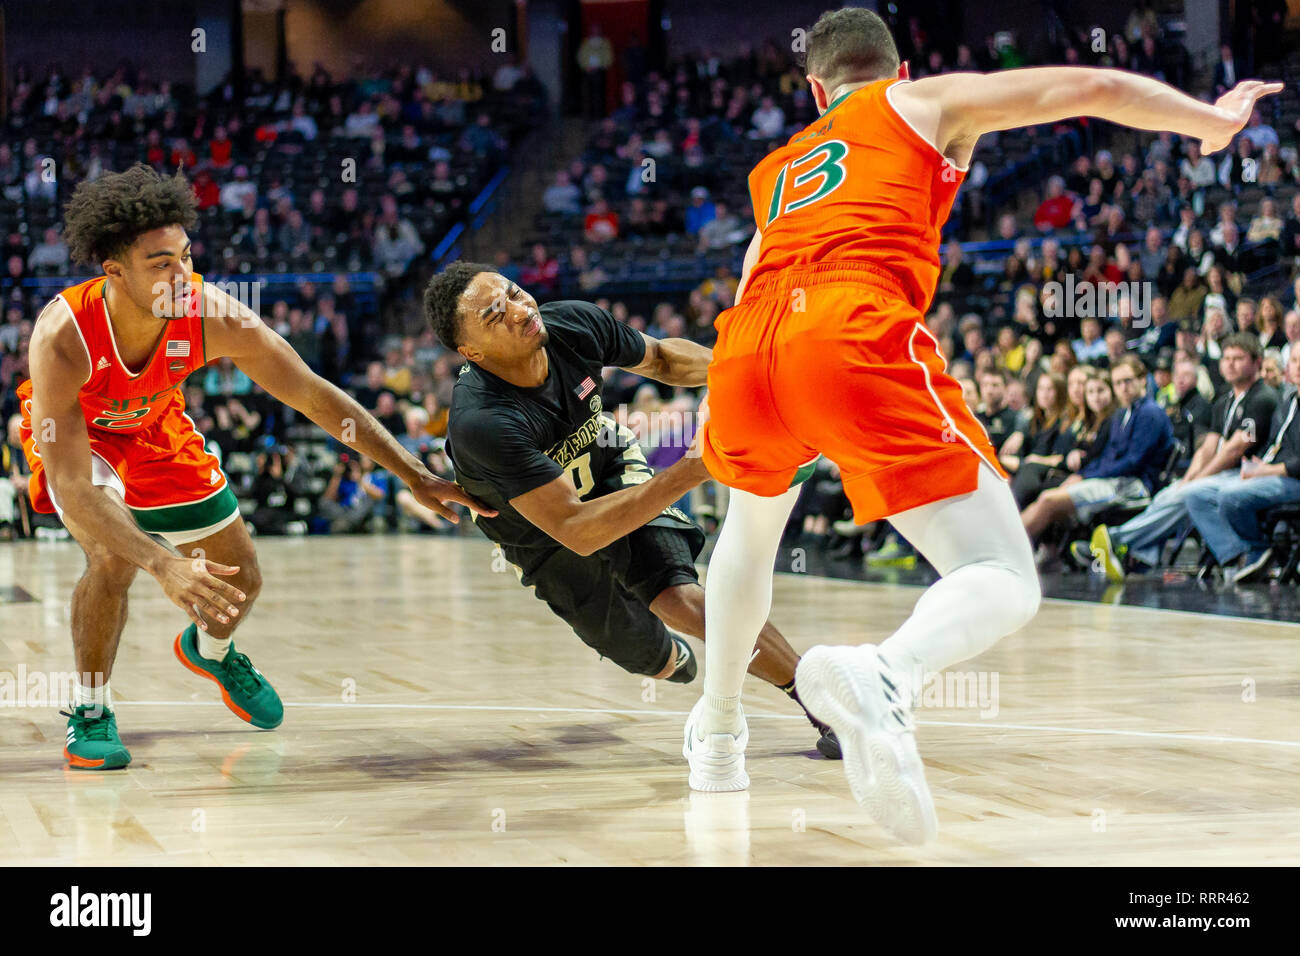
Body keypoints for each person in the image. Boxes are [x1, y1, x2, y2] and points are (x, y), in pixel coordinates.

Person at [684, 5, 1279, 844]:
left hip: (745, 348)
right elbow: (1094, 84)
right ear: (897, 67)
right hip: (848, 326)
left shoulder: (778, 167)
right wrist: (1210, 120)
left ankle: (716, 738)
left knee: (746, 541)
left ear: (816, 88)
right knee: (1004, 572)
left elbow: (751, 274)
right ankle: (882, 674)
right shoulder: (919, 103)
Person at [18, 165, 488, 770]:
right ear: (114, 271)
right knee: (112, 560)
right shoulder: (63, 335)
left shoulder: (211, 312)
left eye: (186, 255)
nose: (181, 274)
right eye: (160, 263)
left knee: (242, 574)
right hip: (82, 436)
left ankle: (212, 653)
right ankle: (89, 709)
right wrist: (163, 563)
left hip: (156, 424)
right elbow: (73, 486)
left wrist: (412, 473)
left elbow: (314, 396)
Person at [422, 264, 840, 757]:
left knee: (678, 600)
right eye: (496, 315)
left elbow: (662, 359)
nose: (519, 311)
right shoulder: (482, 421)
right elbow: (576, 529)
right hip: (544, 535)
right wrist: (694, 467)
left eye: (514, 293)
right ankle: (667, 655)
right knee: (650, 657)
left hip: (608, 461)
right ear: (471, 352)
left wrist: (744, 375)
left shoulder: (572, 324)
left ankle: (818, 698)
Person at [1086, 334, 1280, 579]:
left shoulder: (1262, 398)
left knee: (1189, 494)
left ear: (1256, 362)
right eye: (1227, 358)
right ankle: (1136, 554)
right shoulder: (1224, 401)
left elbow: (1235, 449)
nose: (1230, 364)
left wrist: (1199, 479)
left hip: (1249, 473)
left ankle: (1117, 539)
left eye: (1238, 358)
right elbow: (1209, 446)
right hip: (1226, 475)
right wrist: (1191, 476)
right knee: (1172, 493)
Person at [1184, 347, 1300, 584]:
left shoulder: (1271, 399)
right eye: (1295, 360)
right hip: (1272, 473)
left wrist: (1267, 470)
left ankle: (1256, 549)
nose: (1297, 366)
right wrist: (1259, 464)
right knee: (1196, 493)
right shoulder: (1289, 403)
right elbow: (1275, 444)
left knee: (1231, 495)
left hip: (1293, 479)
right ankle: (1235, 554)